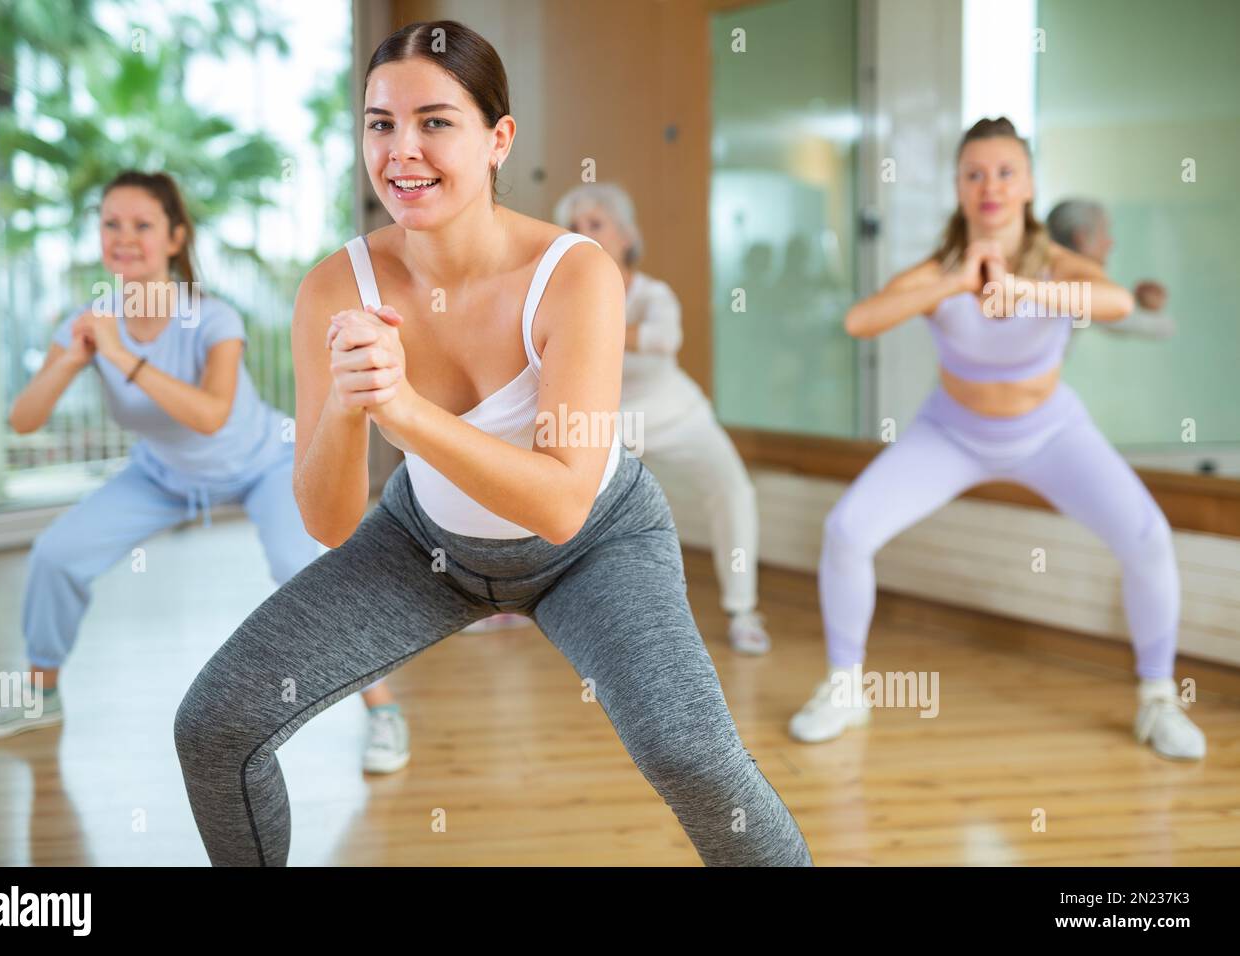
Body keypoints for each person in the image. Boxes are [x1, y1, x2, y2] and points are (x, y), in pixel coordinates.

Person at [173, 19, 813, 866]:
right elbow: (328, 524)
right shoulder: (336, 288)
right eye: (380, 123)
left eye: (435, 121)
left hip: (599, 543)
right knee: (215, 724)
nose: (402, 150)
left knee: (689, 753)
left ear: (497, 138)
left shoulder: (575, 274)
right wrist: (346, 410)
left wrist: (401, 412)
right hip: (422, 543)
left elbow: (559, 505)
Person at [787, 118, 1205, 762]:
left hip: (1052, 433)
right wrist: (954, 284)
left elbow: (1119, 303)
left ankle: (1157, 700)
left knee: (1148, 537)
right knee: (847, 530)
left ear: (1030, 184)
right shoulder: (939, 269)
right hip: (950, 433)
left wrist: (1023, 289)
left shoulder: (1058, 265)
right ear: (958, 186)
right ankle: (846, 687)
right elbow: (860, 320)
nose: (991, 187)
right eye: (975, 173)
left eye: (1006, 172)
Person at [0, 171, 404, 773]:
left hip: (262, 461)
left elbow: (211, 415)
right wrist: (70, 360)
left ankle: (382, 712)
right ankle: (41, 696)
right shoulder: (91, 320)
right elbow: (23, 418)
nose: (124, 237)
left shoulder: (213, 318)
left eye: (141, 224)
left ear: (174, 237)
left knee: (301, 568)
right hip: (162, 475)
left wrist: (121, 355)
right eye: (111, 224)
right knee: (56, 554)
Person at [553, 182, 772, 654]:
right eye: (573, 227)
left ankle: (743, 610)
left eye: (596, 224)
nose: (583, 234)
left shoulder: (654, 294)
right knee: (548, 493)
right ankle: (509, 600)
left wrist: (590, 325)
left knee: (733, 490)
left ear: (627, 236)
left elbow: (663, 338)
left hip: (677, 414)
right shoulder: (564, 293)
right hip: (610, 425)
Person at [1047, 199, 1177, 340]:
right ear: (1082, 237)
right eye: (1104, 232)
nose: (1110, 242)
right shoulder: (1072, 290)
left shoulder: (1047, 279)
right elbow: (1162, 328)